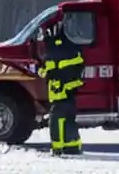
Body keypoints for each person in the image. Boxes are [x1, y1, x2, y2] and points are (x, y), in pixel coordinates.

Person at [44, 22, 84, 156]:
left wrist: (41, 71)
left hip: (58, 94)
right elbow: (79, 66)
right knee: (69, 120)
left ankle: (57, 148)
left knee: (55, 120)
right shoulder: (72, 48)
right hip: (70, 93)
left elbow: (46, 71)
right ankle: (73, 146)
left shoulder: (52, 52)